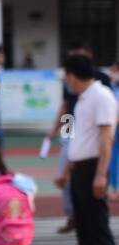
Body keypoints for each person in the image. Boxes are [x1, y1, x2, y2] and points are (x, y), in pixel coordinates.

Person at [55, 53, 118, 245]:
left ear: (71, 75)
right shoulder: (82, 99)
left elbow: (106, 138)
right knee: (83, 228)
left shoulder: (101, 97)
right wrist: (66, 171)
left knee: (98, 228)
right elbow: (79, 140)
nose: (66, 81)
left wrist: (101, 175)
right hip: (80, 168)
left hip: (93, 168)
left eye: (66, 76)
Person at [48, 44, 113, 234]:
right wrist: (55, 129)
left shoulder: (100, 83)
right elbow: (65, 105)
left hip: (92, 128)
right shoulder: (72, 88)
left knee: (95, 219)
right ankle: (72, 216)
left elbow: (109, 116)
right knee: (68, 156)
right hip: (72, 122)